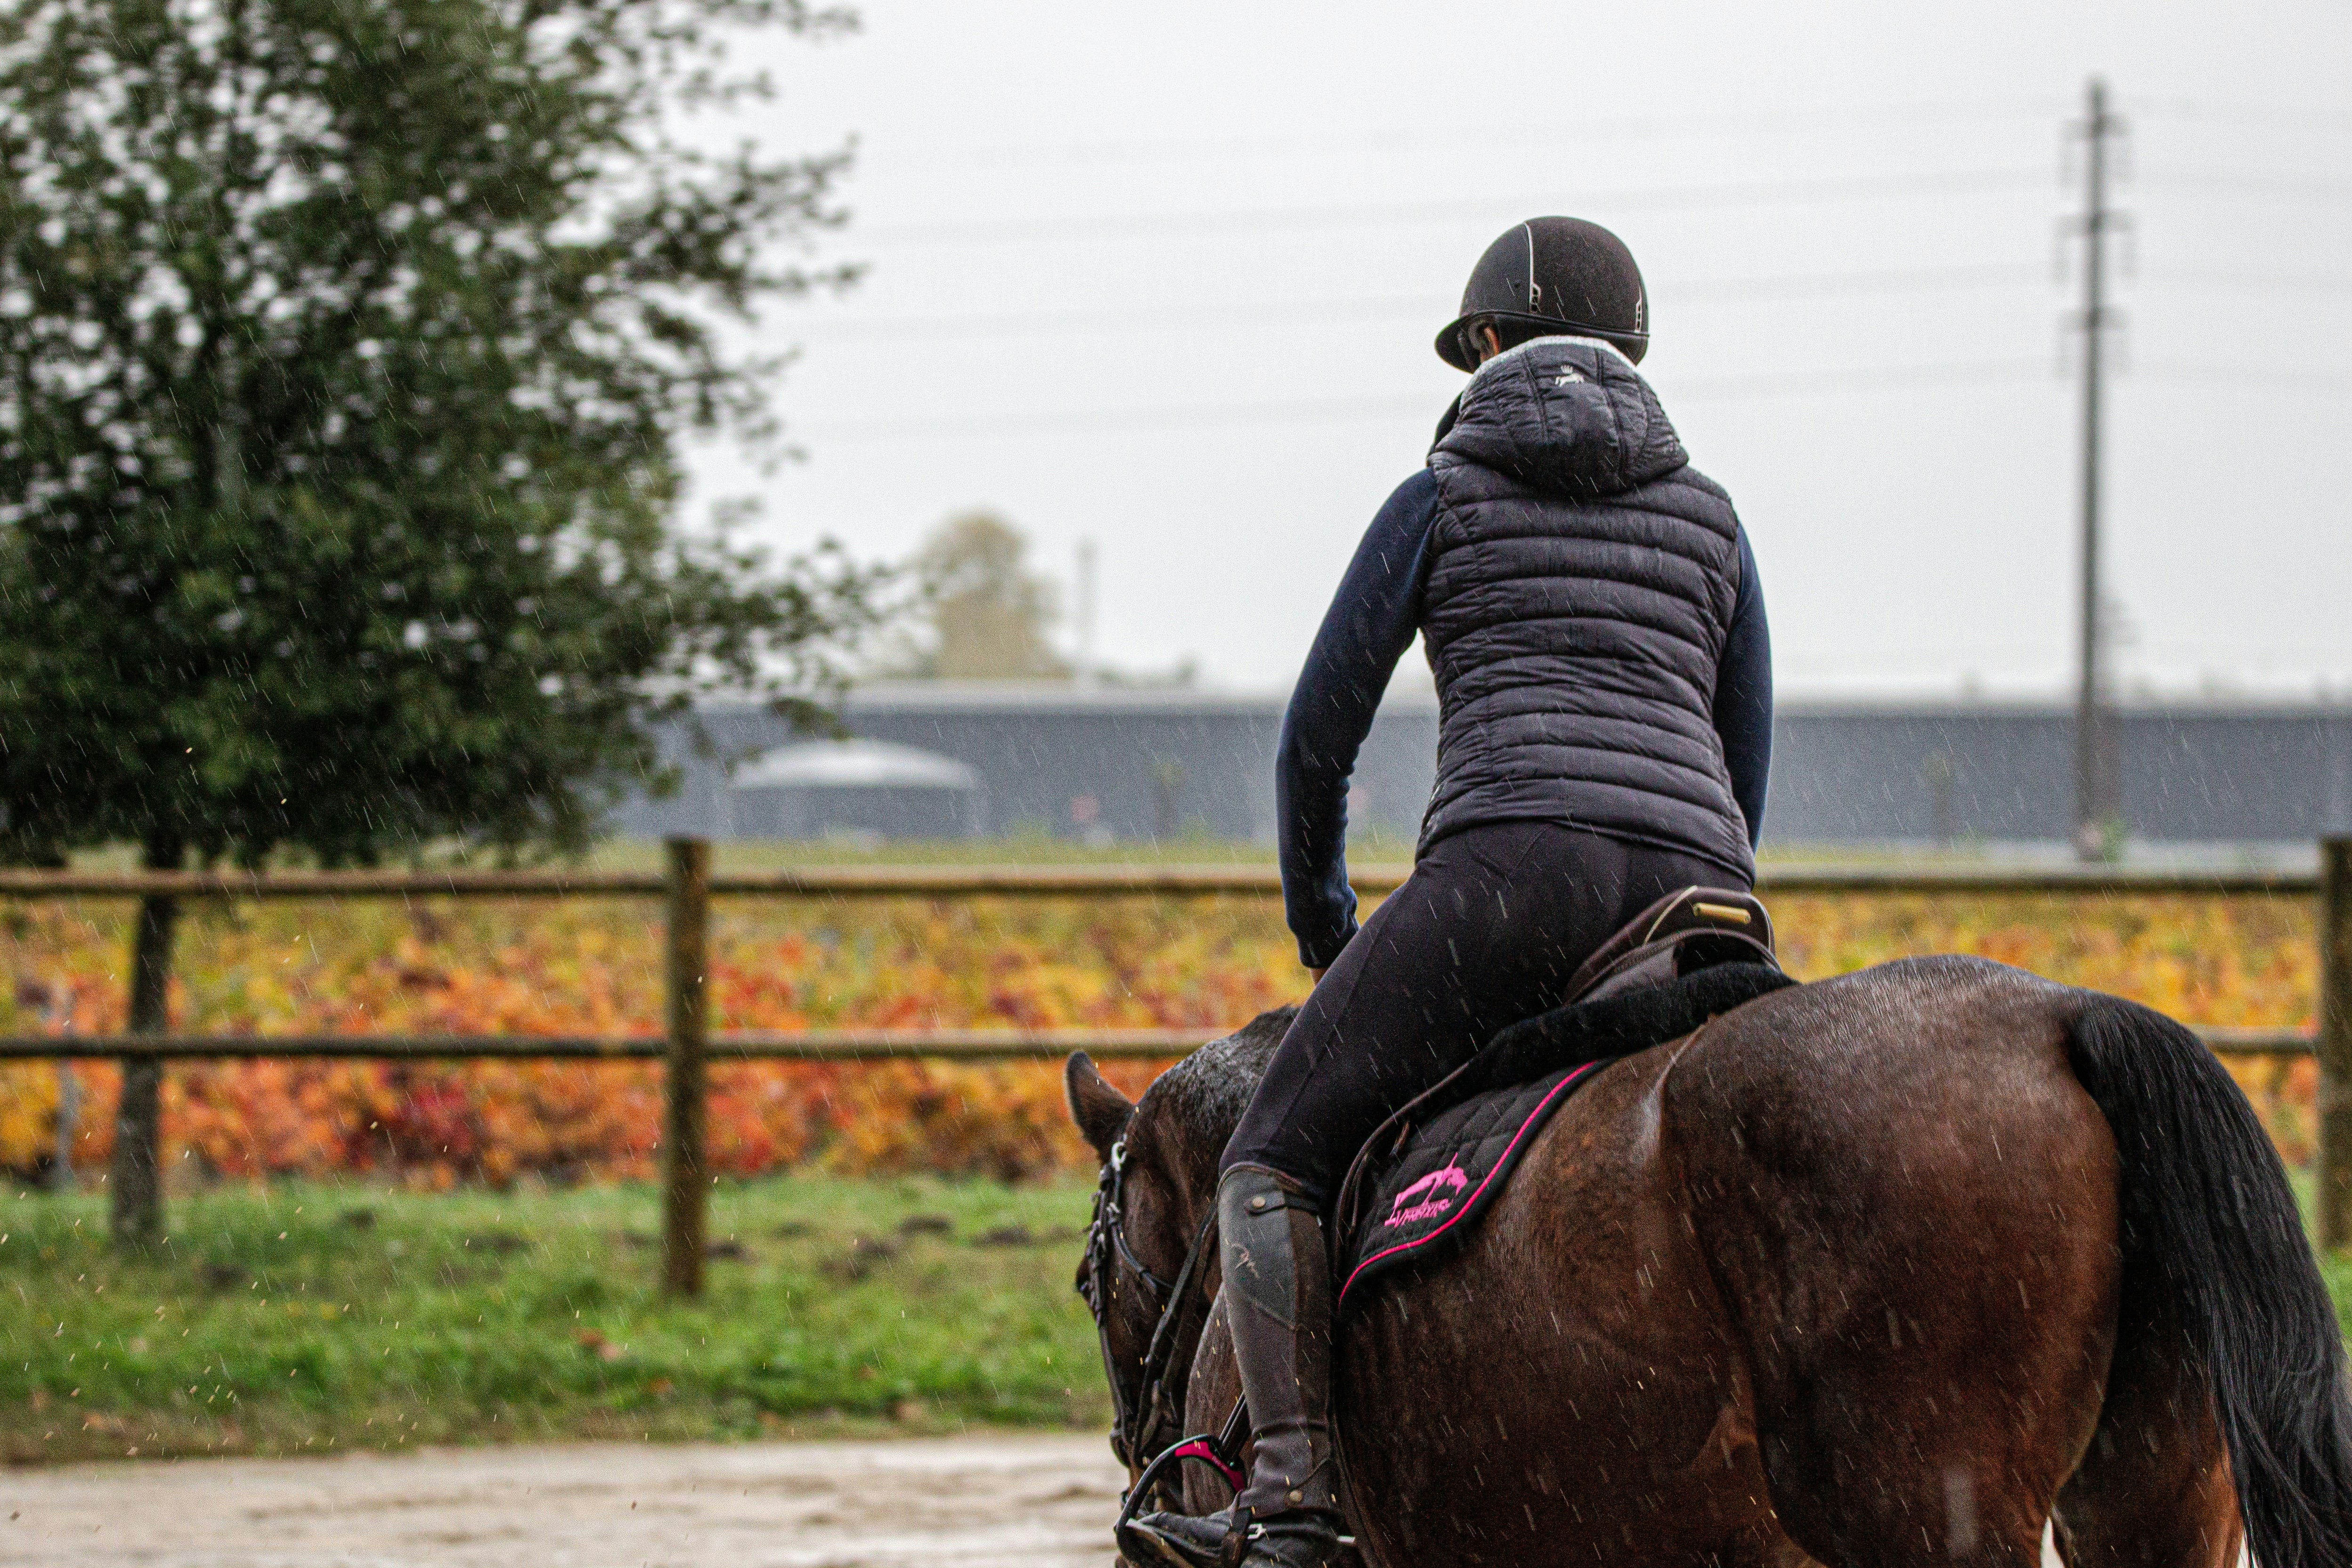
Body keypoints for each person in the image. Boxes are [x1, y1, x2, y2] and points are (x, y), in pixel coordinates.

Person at [1118, 217, 1774, 1568]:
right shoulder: (1710, 514)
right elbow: (1742, 739)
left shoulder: (1441, 492)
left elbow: (1319, 732)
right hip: (1697, 890)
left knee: (1269, 1156)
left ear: (1480, 347)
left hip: (1505, 875)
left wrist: (1326, 921)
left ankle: (1293, 1500)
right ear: (1638, 353)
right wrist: (1701, 890)